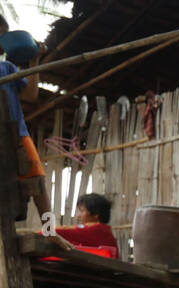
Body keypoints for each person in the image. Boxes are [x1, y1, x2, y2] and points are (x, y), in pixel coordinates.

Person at [0, 20, 50, 222]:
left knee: (37, 180)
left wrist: (34, 62)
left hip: (17, 133)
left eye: (3, 35)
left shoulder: (8, 68)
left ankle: (50, 230)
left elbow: (30, 95)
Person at [53, 193, 119, 258]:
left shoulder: (96, 229)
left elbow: (60, 231)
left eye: (82, 211)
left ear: (96, 214)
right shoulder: (104, 230)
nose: (78, 216)